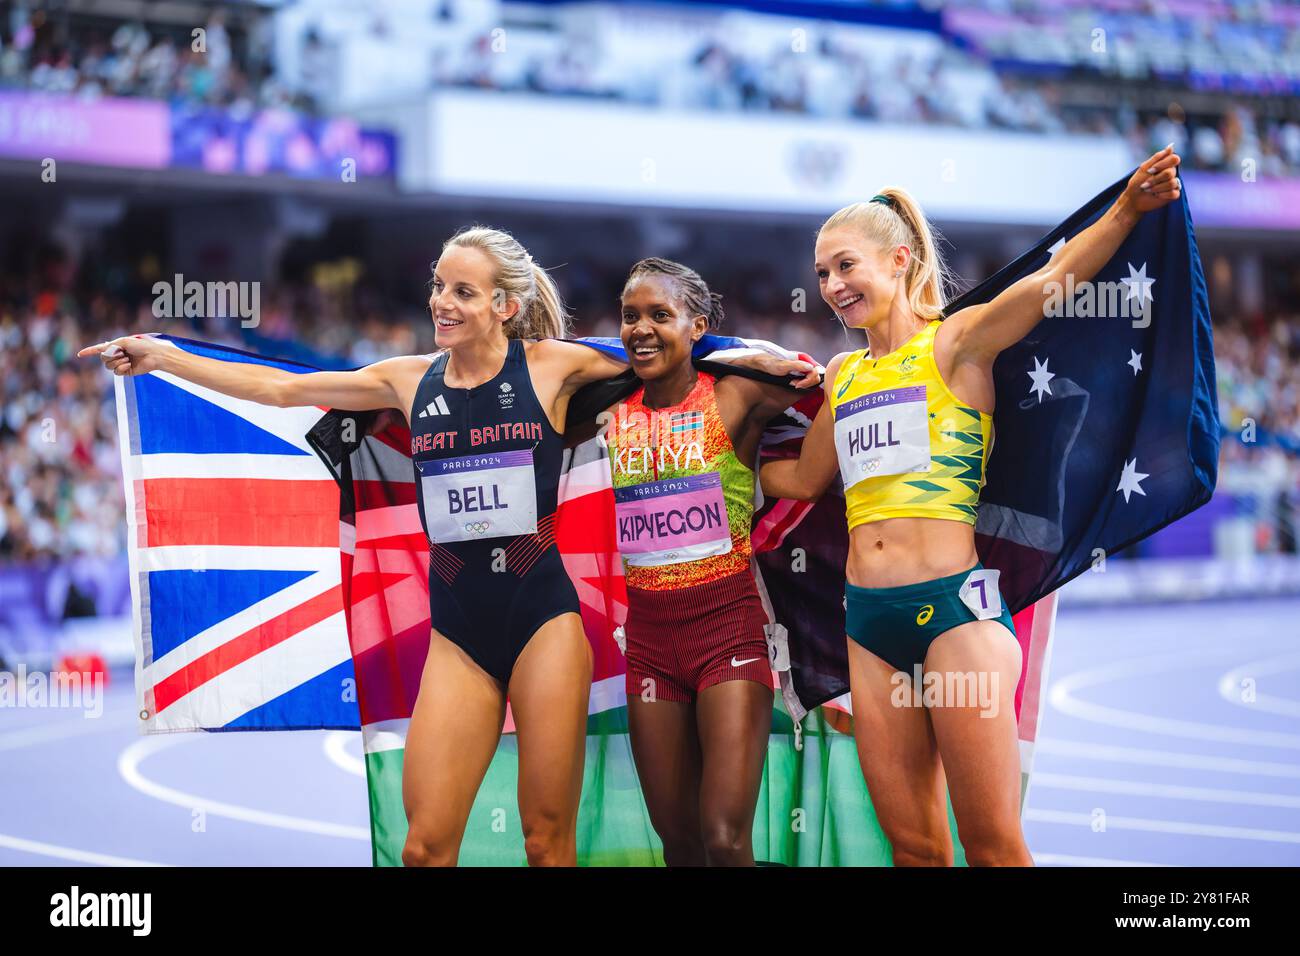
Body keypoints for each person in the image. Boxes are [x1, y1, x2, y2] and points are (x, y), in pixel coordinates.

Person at [81, 225, 817, 867]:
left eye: (463, 291)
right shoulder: (406, 382)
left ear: (504, 306)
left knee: (544, 842)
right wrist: (164, 358)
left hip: (544, 624)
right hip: (458, 632)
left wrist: (755, 353)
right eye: (438, 287)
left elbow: (663, 350)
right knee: (424, 847)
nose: (441, 302)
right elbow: (279, 390)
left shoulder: (554, 367)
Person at [760, 146, 1183, 866]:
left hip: (955, 616)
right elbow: (802, 479)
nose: (831, 284)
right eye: (822, 273)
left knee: (991, 845)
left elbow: (1053, 281)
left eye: (845, 265)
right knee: (914, 848)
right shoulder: (844, 374)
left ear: (898, 261)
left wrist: (1127, 209)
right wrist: (717, 453)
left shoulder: (956, 345)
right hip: (869, 624)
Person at [601, 257, 816, 865]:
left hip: (728, 633)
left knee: (724, 840)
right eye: (630, 317)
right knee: (681, 846)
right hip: (648, 644)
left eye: (660, 315)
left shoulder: (734, 394)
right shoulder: (610, 405)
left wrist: (726, 353)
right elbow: (551, 368)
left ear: (698, 325)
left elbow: (808, 378)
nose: (640, 329)